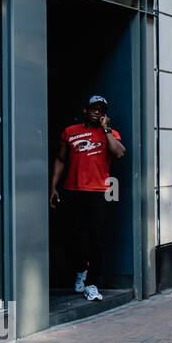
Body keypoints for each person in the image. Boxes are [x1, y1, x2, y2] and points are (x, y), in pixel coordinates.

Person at [49, 95, 127, 302]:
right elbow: (60, 159)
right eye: (94, 108)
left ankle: (92, 284)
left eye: (101, 109)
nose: (96, 112)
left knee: (97, 239)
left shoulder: (110, 133)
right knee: (72, 237)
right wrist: (53, 187)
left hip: (98, 192)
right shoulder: (70, 132)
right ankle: (81, 270)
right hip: (72, 191)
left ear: (104, 114)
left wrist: (106, 130)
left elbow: (119, 153)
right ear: (86, 110)